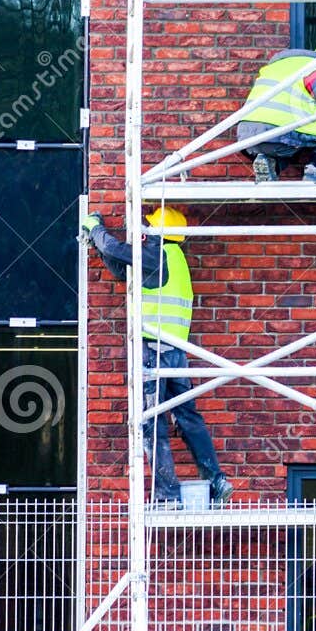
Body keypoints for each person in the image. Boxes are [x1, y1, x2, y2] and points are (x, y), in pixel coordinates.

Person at [82, 205, 234, 506]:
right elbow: (120, 266)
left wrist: (94, 227)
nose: (145, 232)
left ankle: (167, 494)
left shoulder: (155, 257)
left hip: (154, 351)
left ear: (159, 234)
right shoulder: (174, 259)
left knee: (152, 424)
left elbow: (114, 248)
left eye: (149, 229)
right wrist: (101, 247)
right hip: (177, 353)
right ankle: (216, 479)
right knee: (189, 418)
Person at [236, 48, 316, 182]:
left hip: (247, 137)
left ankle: (269, 163)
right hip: (280, 136)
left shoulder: (279, 65)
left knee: (292, 143)